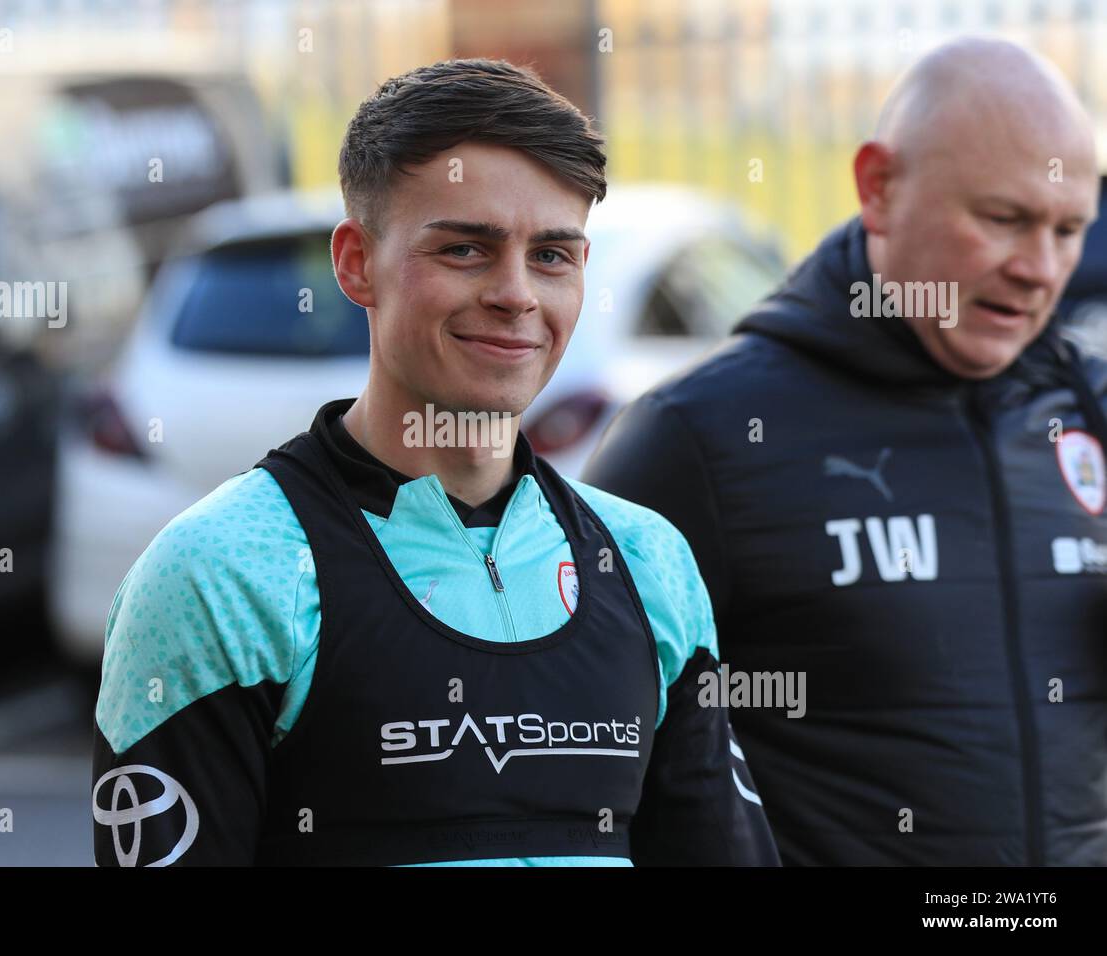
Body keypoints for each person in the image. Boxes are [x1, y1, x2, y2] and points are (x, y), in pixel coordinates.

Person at [91, 58, 778, 866]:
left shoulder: (649, 562)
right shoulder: (218, 573)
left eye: (553, 256)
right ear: (355, 264)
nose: (517, 293)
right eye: (465, 250)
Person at [583, 37, 1106, 866]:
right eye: (1002, 219)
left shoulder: (1087, 409)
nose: (1040, 268)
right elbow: (580, 767)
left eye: (1069, 229)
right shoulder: (698, 437)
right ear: (879, 187)